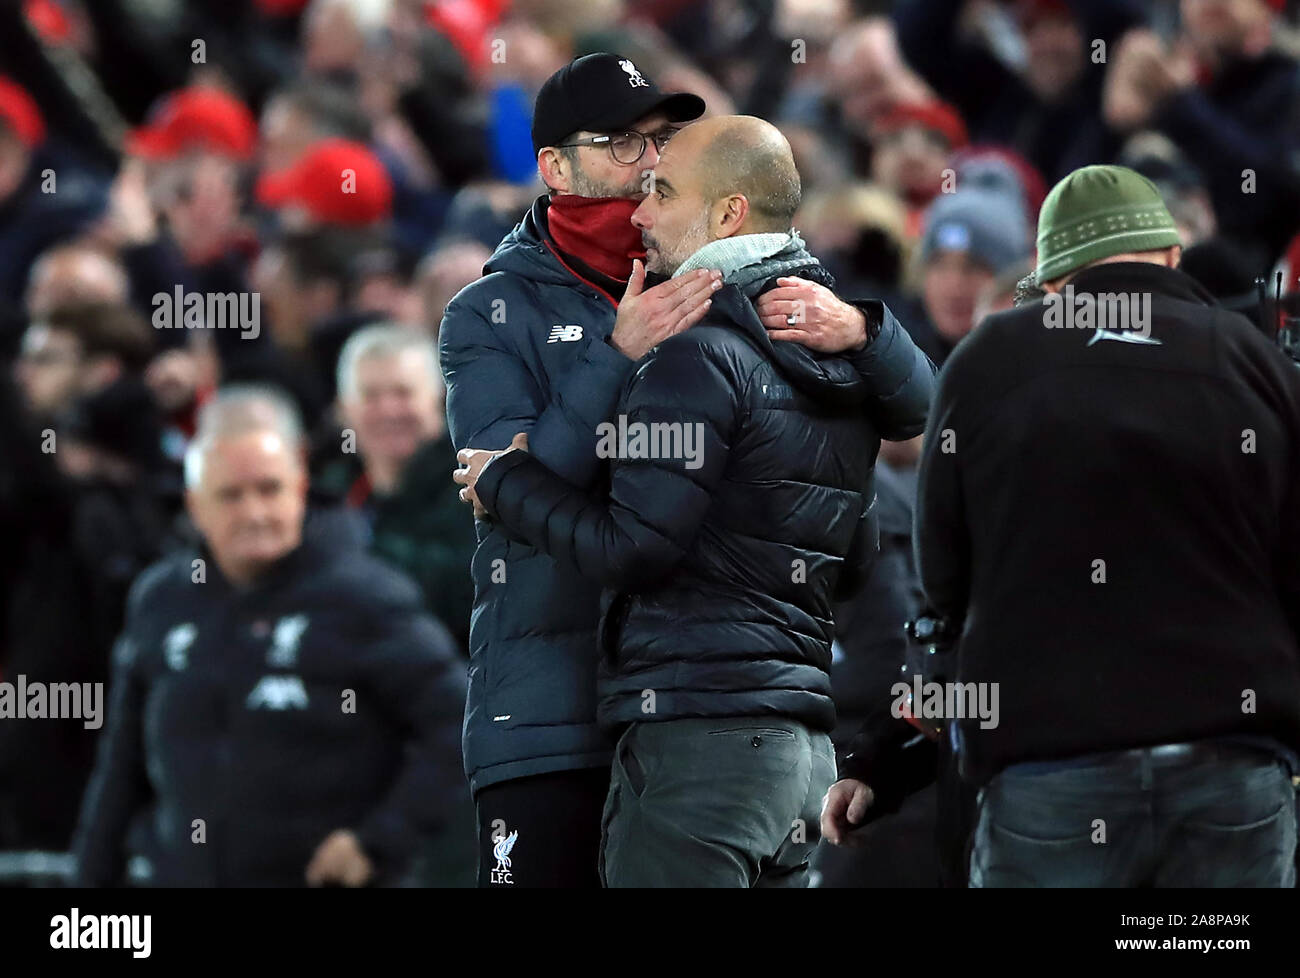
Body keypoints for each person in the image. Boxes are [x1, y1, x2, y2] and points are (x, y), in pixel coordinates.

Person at [440, 53, 934, 887]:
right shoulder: (491, 310)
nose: (652, 161)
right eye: (623, 142)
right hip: (549, 711)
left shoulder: (718, 269)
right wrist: (616, 353)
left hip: (692, 703)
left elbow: (916, 405)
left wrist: (864, 329)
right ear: (555, 166)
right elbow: (510, 489)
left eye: (663, 139)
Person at [824, 164, 1300, 887]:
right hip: (1231, 769)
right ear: (1172, 255)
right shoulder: (1256, 363)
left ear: (1053, 279)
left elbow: (946, 593)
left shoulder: (987, 362)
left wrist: (883, 756)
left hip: (1048, 774)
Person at [73, 385, 467, 886]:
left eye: (270, 489)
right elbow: (121, 765)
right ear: (195, 506)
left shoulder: (364, 597)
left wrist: (381, 840)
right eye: (232, 495)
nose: (254, 513)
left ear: (300, 488)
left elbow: (457, 723)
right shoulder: (162, 599)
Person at [319, 323, 475, 649]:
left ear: (438, 401)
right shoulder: (328, 489)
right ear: (343, 410)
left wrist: (355, 554)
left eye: (403, 393)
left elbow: (463, 590)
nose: (388, 410)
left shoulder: (473, 484)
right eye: (370, 396)